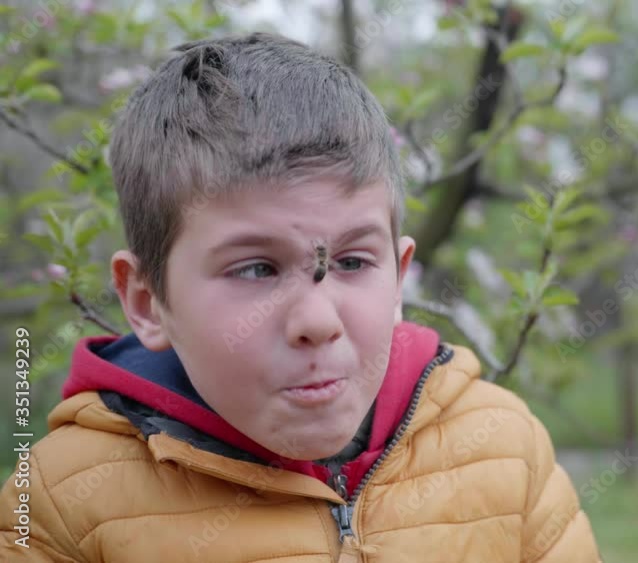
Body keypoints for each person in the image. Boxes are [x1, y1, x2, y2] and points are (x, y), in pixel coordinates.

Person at [0, 32, 600, 562]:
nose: (317, 321)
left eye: (353, 261)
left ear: (399, 276)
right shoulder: (58, 502)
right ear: (148, 301)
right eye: (256, 269)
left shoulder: (503, 446)